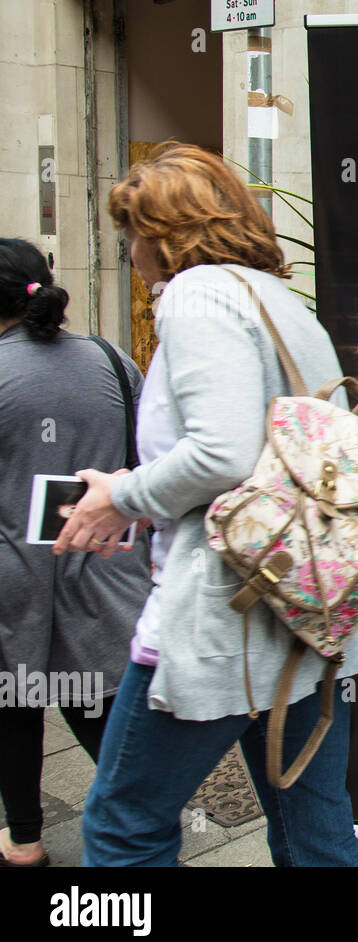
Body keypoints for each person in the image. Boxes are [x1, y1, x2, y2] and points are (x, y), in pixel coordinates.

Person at [55, 142, 358, 866]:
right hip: (302, 610)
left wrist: (122, 496)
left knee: (121, 823)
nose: (129, 254)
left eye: (132, 235)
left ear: (163, 235)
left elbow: (221, 453)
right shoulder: (275, 299)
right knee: (314, 827)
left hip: (222, 614)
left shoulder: (197, 295)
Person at [0, 239, 151, 867]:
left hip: (14, 570)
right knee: (99, 698)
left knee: (13, 703)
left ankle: (25, 840)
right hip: (106, 563)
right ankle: (137, 817)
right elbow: (148, 457)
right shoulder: (112, 360)